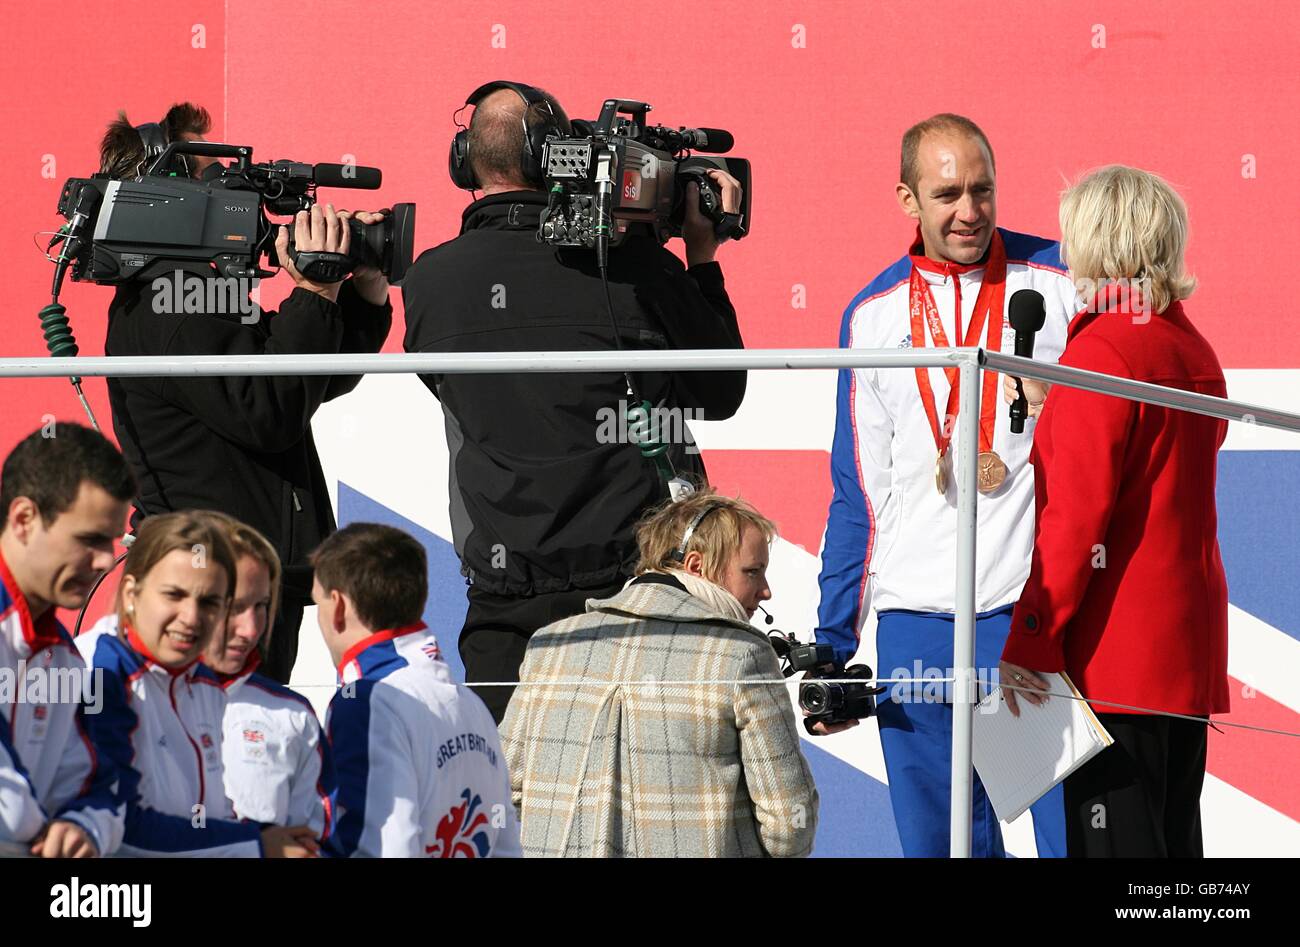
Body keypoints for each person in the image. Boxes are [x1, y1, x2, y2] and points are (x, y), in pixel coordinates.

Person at [402, 81, 747, 722]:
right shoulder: (636, 268)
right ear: (554, 155)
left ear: (464, 161)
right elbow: (720, 391)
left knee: (516, 806)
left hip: (503, 608)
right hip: (636, 596)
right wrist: (699, 256)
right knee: (641, 804)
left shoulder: (426, 281)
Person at [813, 114, 1079, 858]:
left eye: (984, 189)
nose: (970, 211)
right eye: (948, 193)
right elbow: (859, 491)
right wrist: (833, 641)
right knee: (940, 847)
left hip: (1027, 615)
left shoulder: (1060, 282)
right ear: (908, 199)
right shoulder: (872, 316)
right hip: (915, 626)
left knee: (1069, 841)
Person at [98, 103, 394, 683]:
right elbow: (272, 411)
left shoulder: (193, 290)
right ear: (167, 192)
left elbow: (311, 379)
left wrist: (359, 291)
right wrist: (312, 287)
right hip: (213, 582)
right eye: (210, 173)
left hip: (246, 565)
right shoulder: (173, 300)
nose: (228, 190)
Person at [999, 166, 1226, 858]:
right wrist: (1060, 408)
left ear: (1097, 243)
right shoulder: (1189, 347)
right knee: (1172, 860)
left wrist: (1032, 638)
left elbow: (1078, 519)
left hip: (1113, 662)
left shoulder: (1100, 352)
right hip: (1182, 654)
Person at [500, 491, 819, 857]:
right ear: (697, 566)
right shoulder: (741, 654)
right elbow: (789, 828)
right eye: (753, 571)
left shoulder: (550, 645)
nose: (766, 591)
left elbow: (501, 789)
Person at [77, 511, 318, 857]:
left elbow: (204, 815)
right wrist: (258, 845)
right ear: (132, 592)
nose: (191, 618)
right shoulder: (97, 673)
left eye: (209, 602)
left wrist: (274, 839)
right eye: (174, 595)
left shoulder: (200, 681)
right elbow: (119, 827)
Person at [311, 523, 520, 857]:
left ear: (337, 606)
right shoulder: (471, 705)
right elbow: (507, 848)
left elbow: (380, 849)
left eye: (316, 603)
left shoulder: (366, 702)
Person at [0, 423, 133, 858]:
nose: (106, 559)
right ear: (24, 519)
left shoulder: (67, 660)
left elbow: (97, 785)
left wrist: (83, 827)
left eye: (112, 540)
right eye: (90, 539)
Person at [195, 511, 336, 839]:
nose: (251, 628)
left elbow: (320, 838)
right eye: (234, 606)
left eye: (261, 606)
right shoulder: (132, 695)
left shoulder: (294, 715)